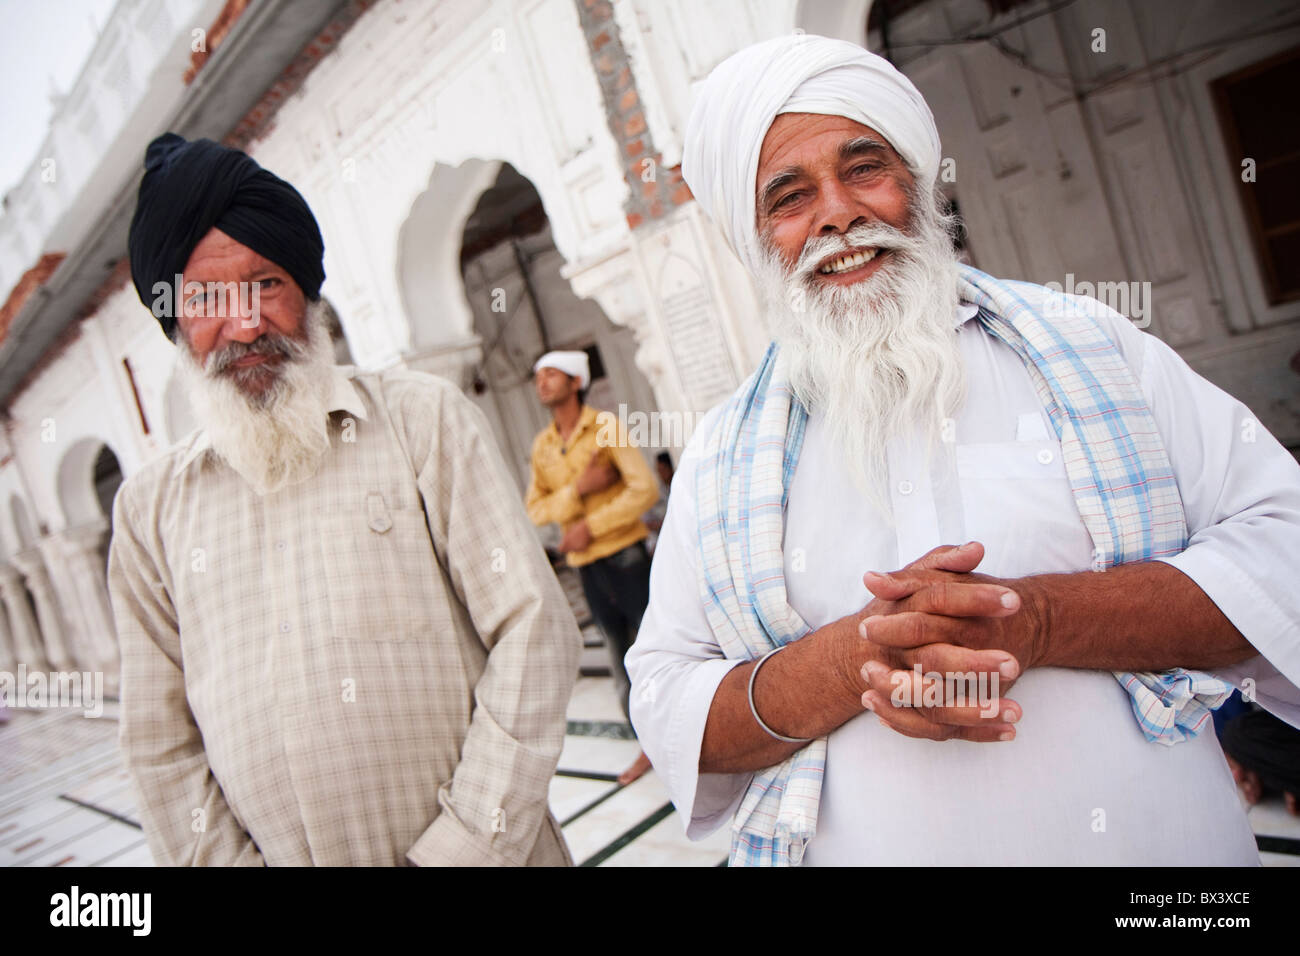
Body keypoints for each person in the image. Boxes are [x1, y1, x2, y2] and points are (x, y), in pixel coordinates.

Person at [625, 35, 1300, 865]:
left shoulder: (1094, 346)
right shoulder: (720, 458)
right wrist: (848, 664)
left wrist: (1043, 621)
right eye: (790, 196)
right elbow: (663, 696)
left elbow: (1283, 544)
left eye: (864, 168)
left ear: (916, 180)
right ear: (755, 236)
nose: (838, 213)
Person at [109, 133, 580, 866]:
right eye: (204, 298)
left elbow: (533, 630)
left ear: (307, 294)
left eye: (264, 283)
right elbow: (159, 742)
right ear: (175, 323)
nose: (243, 324)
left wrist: (460, 852)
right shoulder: (149, 515)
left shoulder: (422, 420)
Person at [526, 351, 659, 785]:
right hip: (590, 570)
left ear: (575, 380)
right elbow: (535, 509)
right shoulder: (543, 446)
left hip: (628, 557)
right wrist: (579, 490)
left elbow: (644, 489)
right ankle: (649, 747)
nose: (542, 382)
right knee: (619, 660)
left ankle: (692, 735)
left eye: (551, 374)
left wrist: (590, 526)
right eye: (538, 376)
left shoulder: (605, 427)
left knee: (658, 652)